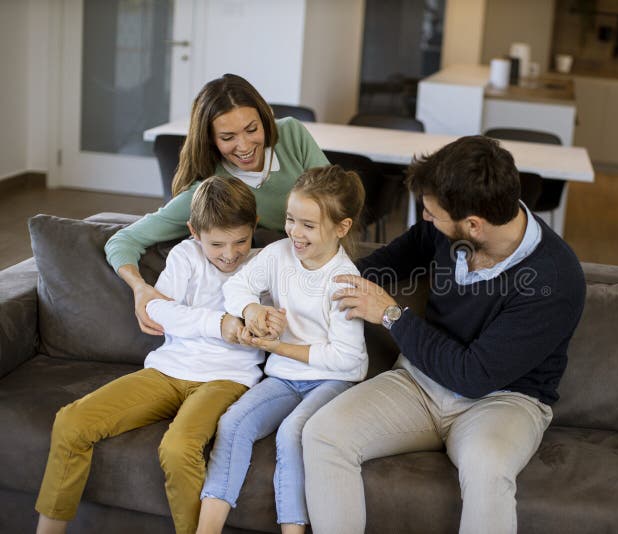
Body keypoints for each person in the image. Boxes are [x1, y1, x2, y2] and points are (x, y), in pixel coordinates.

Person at [302, 136, 587, 534]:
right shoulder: (444, 230)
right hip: (418, 382)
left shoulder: (554, 279)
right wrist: (327, 284)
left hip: (504, 399)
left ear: (473, 224)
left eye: (433, 214)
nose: (427, 219)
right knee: (322, 434)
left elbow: (473, 376)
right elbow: (397, 256)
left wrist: (391, 314)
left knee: (488, 469)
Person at [35, 176, 287, 534]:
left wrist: (263, 325)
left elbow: (275, 320)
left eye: (241, 241)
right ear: (194, 232)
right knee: (71, 422)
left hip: (227, 379)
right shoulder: (185, 255)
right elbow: (159, 310)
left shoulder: (265, 264)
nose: (230, 254)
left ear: (254, 227)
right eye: (217, 243)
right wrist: (221, 324)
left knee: (178, 448)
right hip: (167, 371)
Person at [196, 165, 369, 534]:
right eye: (291, 219)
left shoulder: (344, 280)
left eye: (308, 225)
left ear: (342, 228)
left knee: (292, 433)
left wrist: (279, 347)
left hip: (333, 381)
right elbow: (237, 287)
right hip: (285, 379)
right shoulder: (278, 255)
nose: (295, 232)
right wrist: (253, 309)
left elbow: (347, 359)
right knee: (233, 423)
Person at [105, 73, 329, 337]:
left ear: (264, 119)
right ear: (210, 139)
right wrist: (139, 288)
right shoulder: (209, 191)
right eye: (228, 137)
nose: (244, 145)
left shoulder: (291, 133)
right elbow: (123, 241)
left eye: (252, 129)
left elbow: (334, 203)